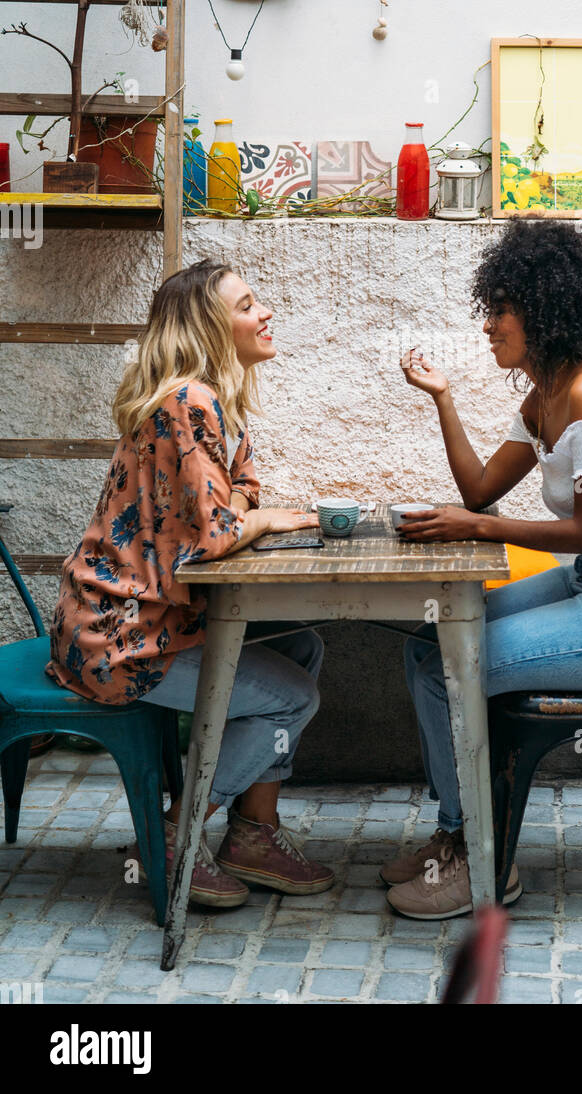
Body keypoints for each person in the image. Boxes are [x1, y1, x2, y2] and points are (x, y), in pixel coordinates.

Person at [381, 219, 582, 920]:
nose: (489, 326)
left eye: (502, 311)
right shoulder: (543, 397)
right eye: (491, 308)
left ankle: (481, 859)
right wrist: (442, 397)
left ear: (546, 310)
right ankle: (457, 830)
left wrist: (479, 528)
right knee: (424, 647)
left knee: (452, 667)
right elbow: (478, 492)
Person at [47, 258, 333, 909]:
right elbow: (217, 533)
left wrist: (254, 513)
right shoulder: (189, 401)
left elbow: (236, 502)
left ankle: (253, 836)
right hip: (119, 639)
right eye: (247, 305)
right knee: (293, 697)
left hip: (143, 620)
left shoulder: (215, 401)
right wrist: (270, 518)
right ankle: (170, 837)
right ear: (209, 327)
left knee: (299, 646)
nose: (265, 313)